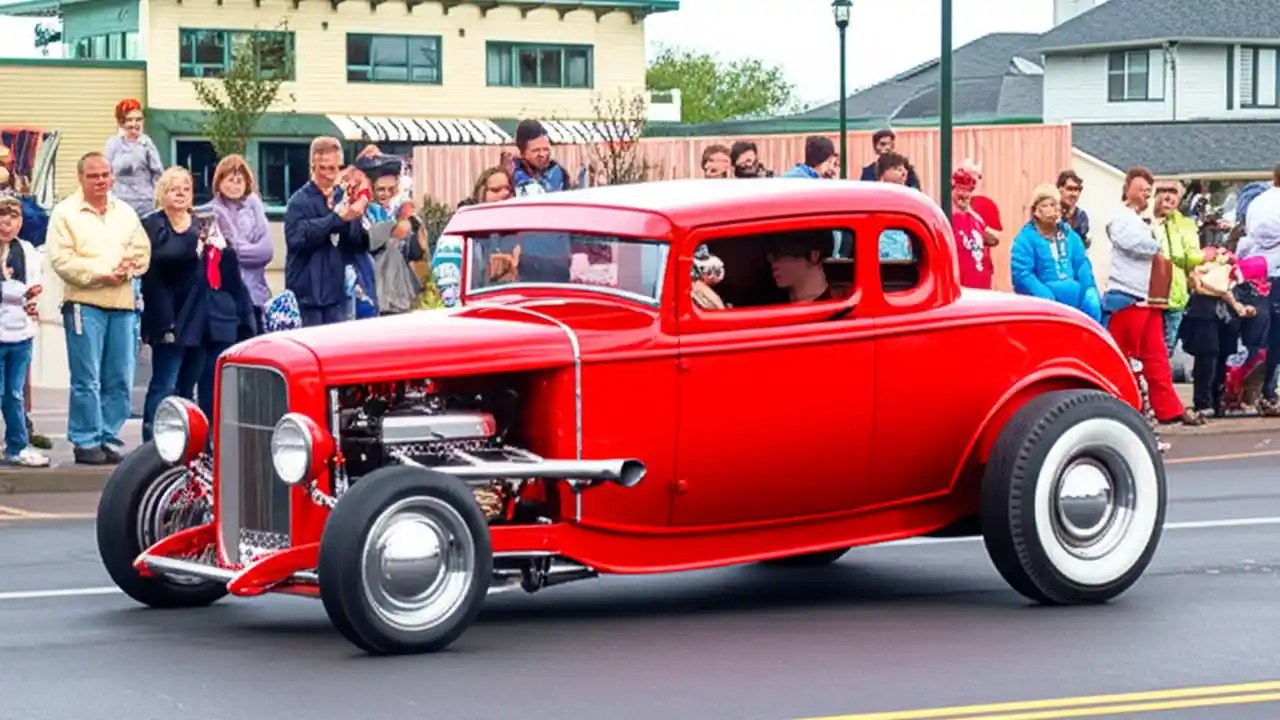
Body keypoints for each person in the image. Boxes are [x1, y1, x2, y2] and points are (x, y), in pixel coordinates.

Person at [46, 152, 151, 463]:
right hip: (84, 303)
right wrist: (102, 272)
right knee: (86, 377)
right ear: (81, 178)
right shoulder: (65, 213)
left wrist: (130, 267)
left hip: (123, 304)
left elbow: (141, 250)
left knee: (119, 375)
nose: (101, 180)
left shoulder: (126, 212)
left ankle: (108, 435)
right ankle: (85, 438)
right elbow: (61, 260)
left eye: (105, 174)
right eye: (94, 176)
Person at [282, 136, 370, 327]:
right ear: (313, 165)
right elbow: (297, 238)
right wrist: (336, 219)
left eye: (335, 168)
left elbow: (359, 243)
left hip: (337, 294)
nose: (330, 175)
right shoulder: (299, 201)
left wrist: (354, 217)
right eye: (324, 168)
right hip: (307, 297)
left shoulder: (343, 196)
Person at [0, 194, 49, 467]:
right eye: (2, 216)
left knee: (14, 393)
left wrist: (29, 301)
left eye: (13, 216)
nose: (7, 223)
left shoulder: (27, 251)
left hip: (20, 333)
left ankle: (17, 445)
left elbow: (32, 289)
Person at [1010, 184, 1102, 322]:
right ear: (1036, 211)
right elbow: (1022, 273)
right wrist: (1046, 298)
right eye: (1049, 205)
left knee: (1092, 301)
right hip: (1043, 304)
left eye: (1056, 204)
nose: (1055, 209)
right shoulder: (1025, 239)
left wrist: (1086, 290)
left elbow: (1082, 264)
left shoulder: (1069, 235)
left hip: (1076, 298)